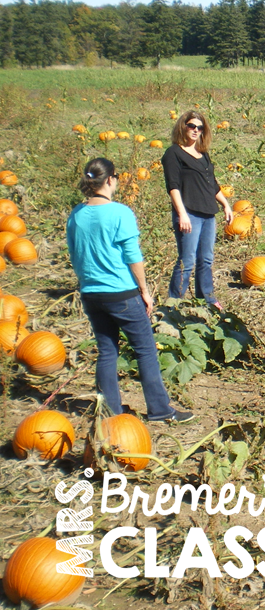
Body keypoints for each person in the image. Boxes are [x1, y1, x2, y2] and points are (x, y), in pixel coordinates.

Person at [67, 158, 194, 424]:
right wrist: (144, 291)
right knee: (145, 349)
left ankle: (109, 412)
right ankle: (160, 410)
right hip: (121, 293)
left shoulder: (76, 214)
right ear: (111, 180)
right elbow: (133, 256)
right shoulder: (119, 212)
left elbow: (75, 254)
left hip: (91, 293)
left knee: (107, 350)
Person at [161, 111, 234, 309]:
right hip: (189, 213)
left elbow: (212, 184)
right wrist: (182, 213)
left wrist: (225, 204)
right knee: (187, 260)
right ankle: (173, 304)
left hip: (208, 214)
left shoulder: (203, 155)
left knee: (206, 259)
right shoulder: (173, 153)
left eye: (199, 127)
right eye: (191, 126)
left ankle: (207, 300)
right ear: (182, 127)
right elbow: (173, 186)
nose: (195, 130)